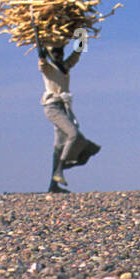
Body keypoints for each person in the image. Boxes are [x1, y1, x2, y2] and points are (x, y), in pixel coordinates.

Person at [35, 29, 101, 194]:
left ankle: (53, 185)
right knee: (73, 135)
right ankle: (59, 170)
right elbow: (41, 62)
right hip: (52, 107)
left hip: (64, 108)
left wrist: (82, 34)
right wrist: (41, 50)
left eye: (60, 51)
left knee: (61, 147)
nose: (58, 54)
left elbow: (78, 53)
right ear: (50, 54)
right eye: (55, 52)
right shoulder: (48, 68)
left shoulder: (65, 66)